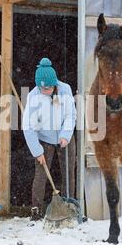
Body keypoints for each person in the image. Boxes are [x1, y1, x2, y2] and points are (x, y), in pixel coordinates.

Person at [22, 57, 76, 221]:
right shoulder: (33, 96)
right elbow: (28, 127)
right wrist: (37, 151)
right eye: (43, 88)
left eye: (49, 88)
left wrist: (65, 135)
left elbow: (70, 115)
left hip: (64, 138)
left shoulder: (65, 90)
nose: (46, 91)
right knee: (41, 175)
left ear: (55, 83)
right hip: (44, 139)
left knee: (68, 173)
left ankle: (69, 207)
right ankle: (36, 210)